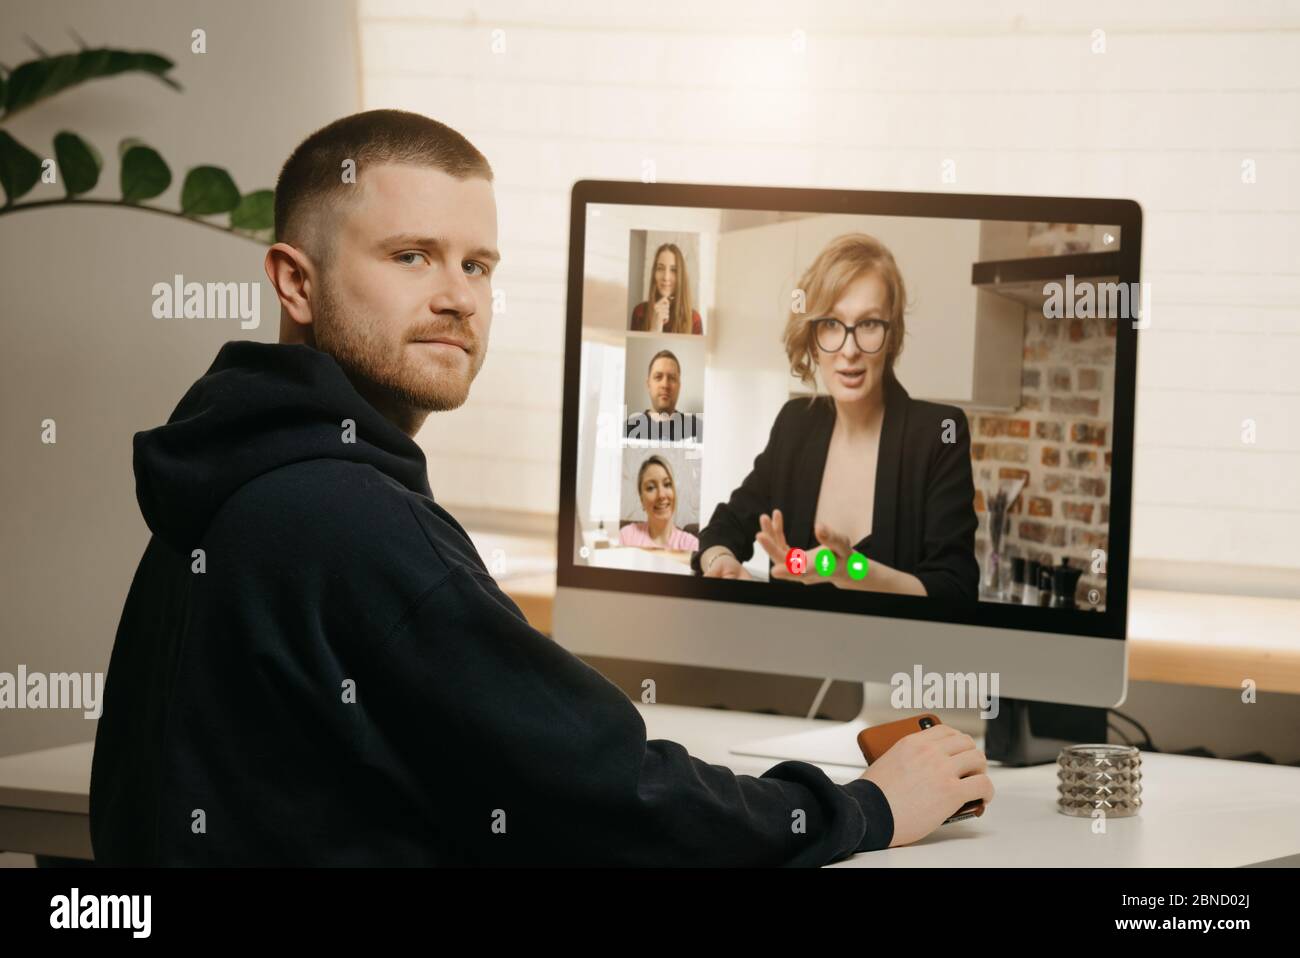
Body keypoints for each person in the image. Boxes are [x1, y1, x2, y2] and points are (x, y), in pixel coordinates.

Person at [89, 111, 991, 866]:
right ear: (296, 280)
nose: (459, 299)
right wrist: (863, 810)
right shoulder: (348, 518)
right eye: (412, 257)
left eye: (478, 266)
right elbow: (611, 787)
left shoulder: (233, 477)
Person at [693, 233, 980, 602]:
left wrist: (855, 571)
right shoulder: (796, 425)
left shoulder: (940, 434)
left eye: (869, 324)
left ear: (892, 337)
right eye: (830, 324)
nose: (849, 349)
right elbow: (725, 526)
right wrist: (721, 562)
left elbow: (955, 590)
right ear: (812, 337)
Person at [618, 455, 700, 552]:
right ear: (641, 500)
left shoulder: (692, 545)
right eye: (651, 487)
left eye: (667, 484)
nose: (661, 495)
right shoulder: (626, 537)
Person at [624, 349, 704, 442]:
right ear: (648, 384)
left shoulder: (699, 430)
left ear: (679, 385)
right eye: (658, 377)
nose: (665, 385)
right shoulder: (627, 430)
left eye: (672, 378)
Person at [629, 243, 703, 335]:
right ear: (654, 273)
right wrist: (654, 329)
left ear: (680, 276)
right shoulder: (639, 313)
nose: (666, 277)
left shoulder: (694, 319)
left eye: (673, 270)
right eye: (660, 268)